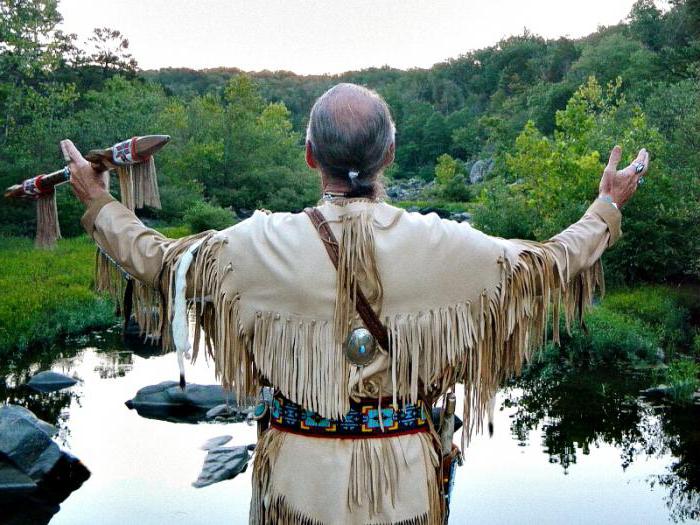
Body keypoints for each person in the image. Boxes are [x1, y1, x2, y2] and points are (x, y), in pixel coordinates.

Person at [62, 82, 648, 525]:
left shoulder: (251, 244)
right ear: (389, 153)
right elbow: (546, 265)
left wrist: (98, 198)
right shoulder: (450, 245)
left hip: (295, 486)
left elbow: (158, 262)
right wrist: (605, 208)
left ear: (310, 155)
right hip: (407, 486)